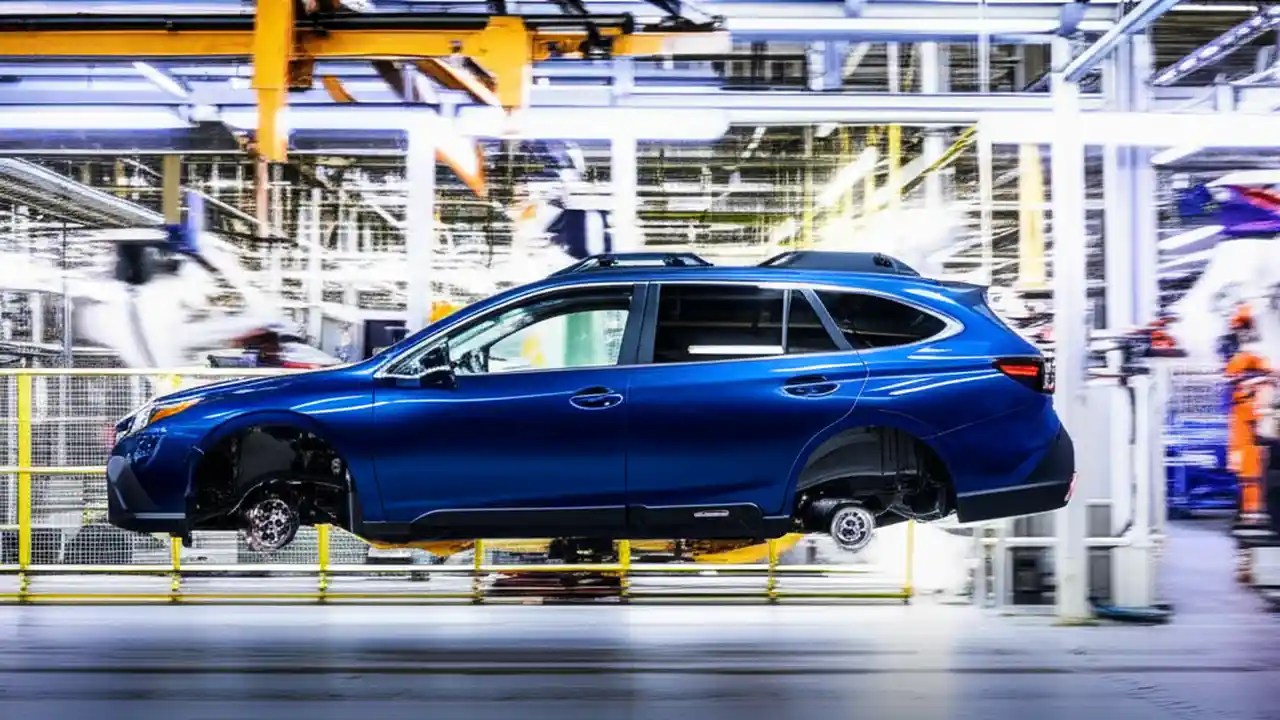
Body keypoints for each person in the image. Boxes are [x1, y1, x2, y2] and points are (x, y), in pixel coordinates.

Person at [1224, 304, 1276, 528]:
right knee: (1245, 469)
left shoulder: (1255, 358)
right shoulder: (1242, 359)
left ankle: (1252, 513)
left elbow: (1269, 375)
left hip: (1251, 420)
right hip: (1244, 419)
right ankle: (1249, 512)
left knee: (1253, 468)